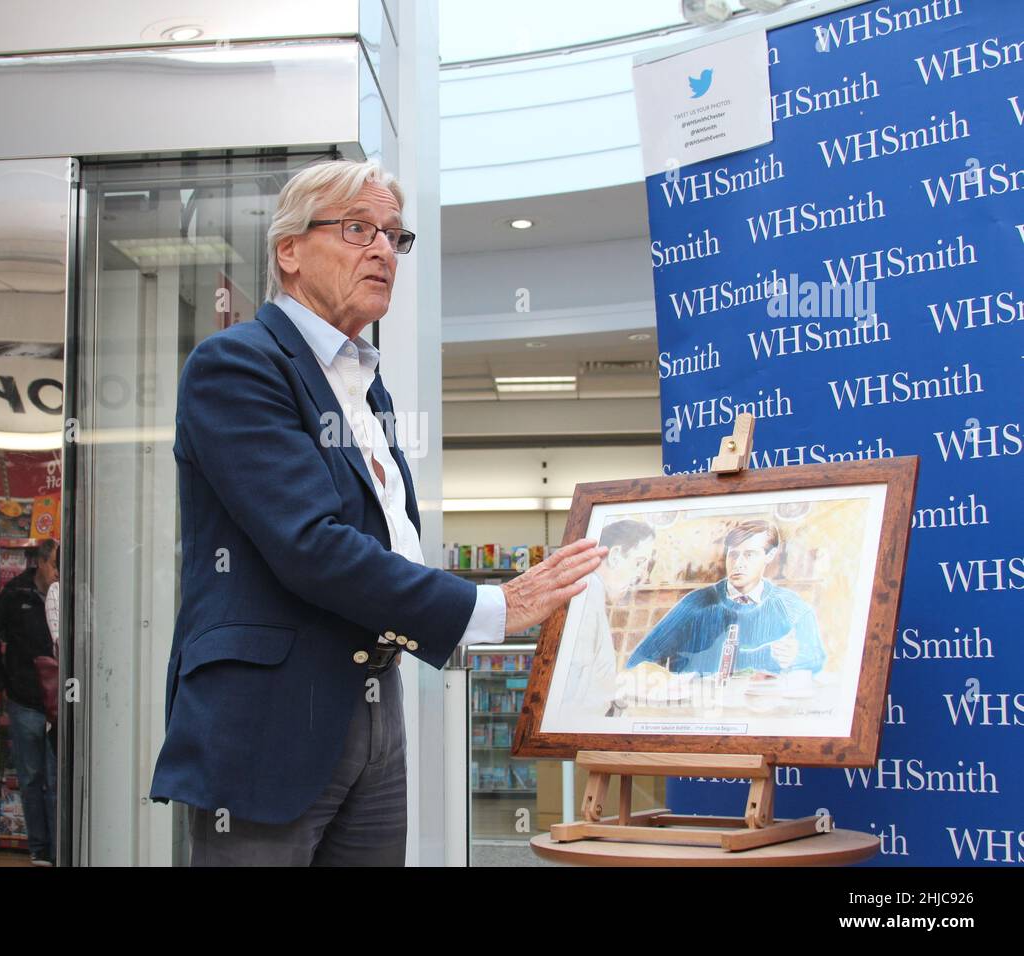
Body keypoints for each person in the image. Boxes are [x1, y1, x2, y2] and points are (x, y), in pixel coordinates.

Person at [148, 159, 606, 866]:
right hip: (266, 724)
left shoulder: (369, 386)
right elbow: (311, 546)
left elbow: (388, 541)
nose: (383, 251)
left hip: (374, 709)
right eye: (359, 228)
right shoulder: (236, 364)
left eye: (394, 235)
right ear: (289, 251)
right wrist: (494, 606)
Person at [626, 519, 825, 676]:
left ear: (770, 556)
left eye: (749, 554)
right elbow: (639, 660)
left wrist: (795, 656)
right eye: (733, 554)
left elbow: (817, 659)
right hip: (697, 717)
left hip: (764, 717)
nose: (738, 563)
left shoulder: (791, 607)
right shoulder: (696, 604)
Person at [0, 538, 58, 866]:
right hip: (24, 703)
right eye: (53, 564)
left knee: (55, 781)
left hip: (57, 705)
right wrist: (1, 682)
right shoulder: (15, 595)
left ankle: (58, 848)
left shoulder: (65, 593)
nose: (56, 572)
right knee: (31, 778)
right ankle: (39, 850)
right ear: (40, 562)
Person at [561, 519, 655, 718]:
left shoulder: (593, 593)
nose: (642, 575)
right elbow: (573, 690)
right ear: (614, 556)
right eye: (639, 563)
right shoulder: (587, 595)